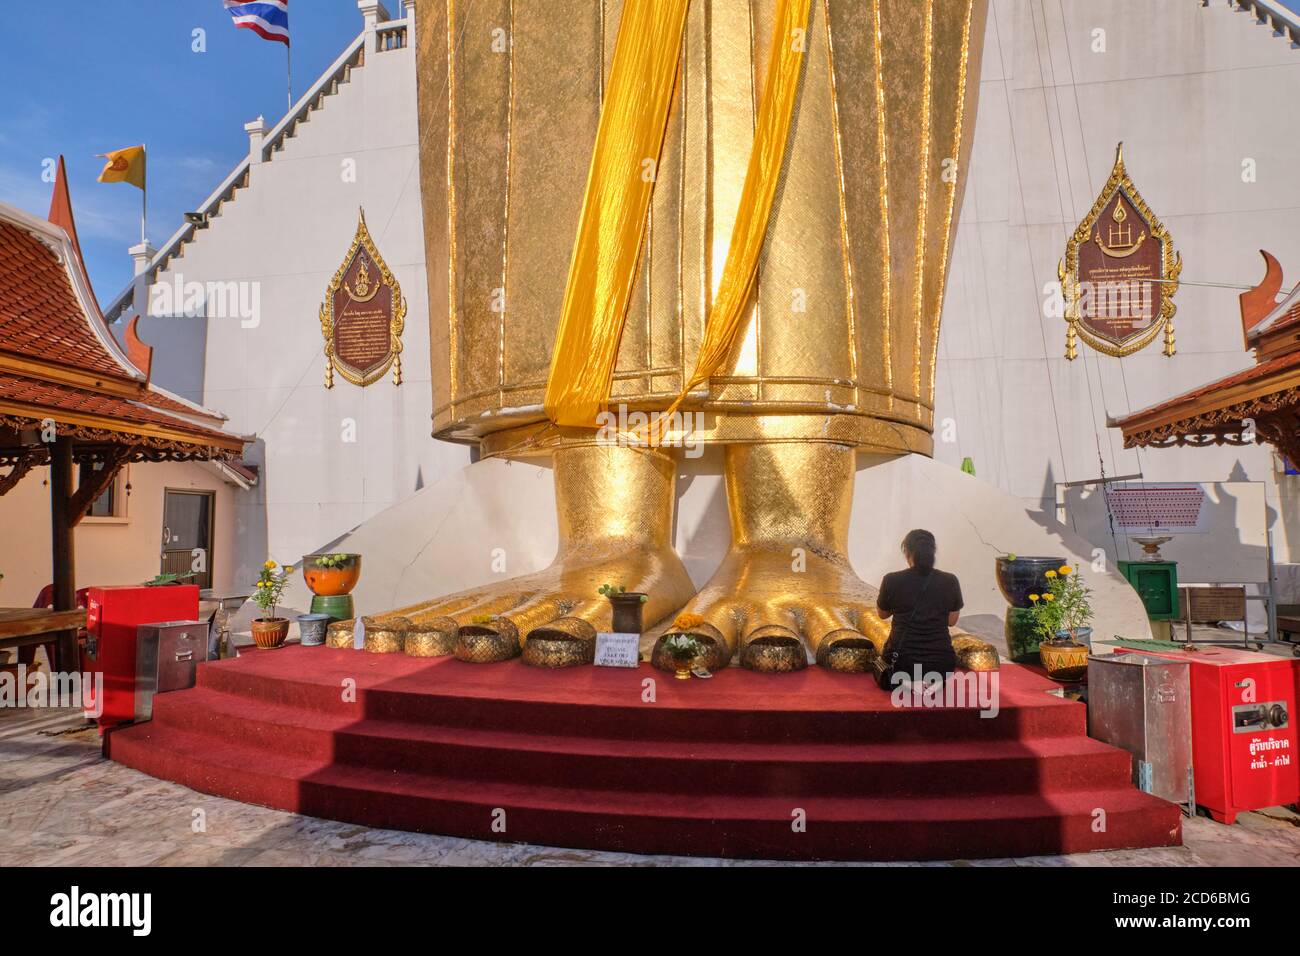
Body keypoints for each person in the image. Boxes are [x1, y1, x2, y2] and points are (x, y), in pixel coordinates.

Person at [875, 529, 963, 685]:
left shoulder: (892, 580)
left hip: (902, 663)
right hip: (942, 665)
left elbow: (882, 614)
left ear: (907, 552)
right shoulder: (950, 580)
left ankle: (910, 683)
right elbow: (952, 621)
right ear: (933, 552)